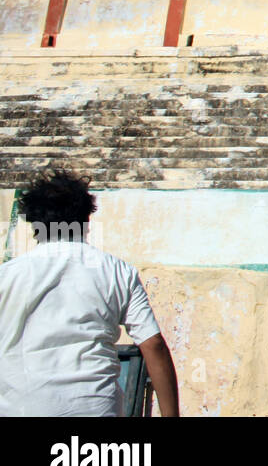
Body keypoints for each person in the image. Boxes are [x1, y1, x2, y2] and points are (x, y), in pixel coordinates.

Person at [0, 170, 180, 417]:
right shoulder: (118, 271)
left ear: (34, 224)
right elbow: (153, 344)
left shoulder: (7, 275)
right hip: (96, 408)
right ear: (86, 220)